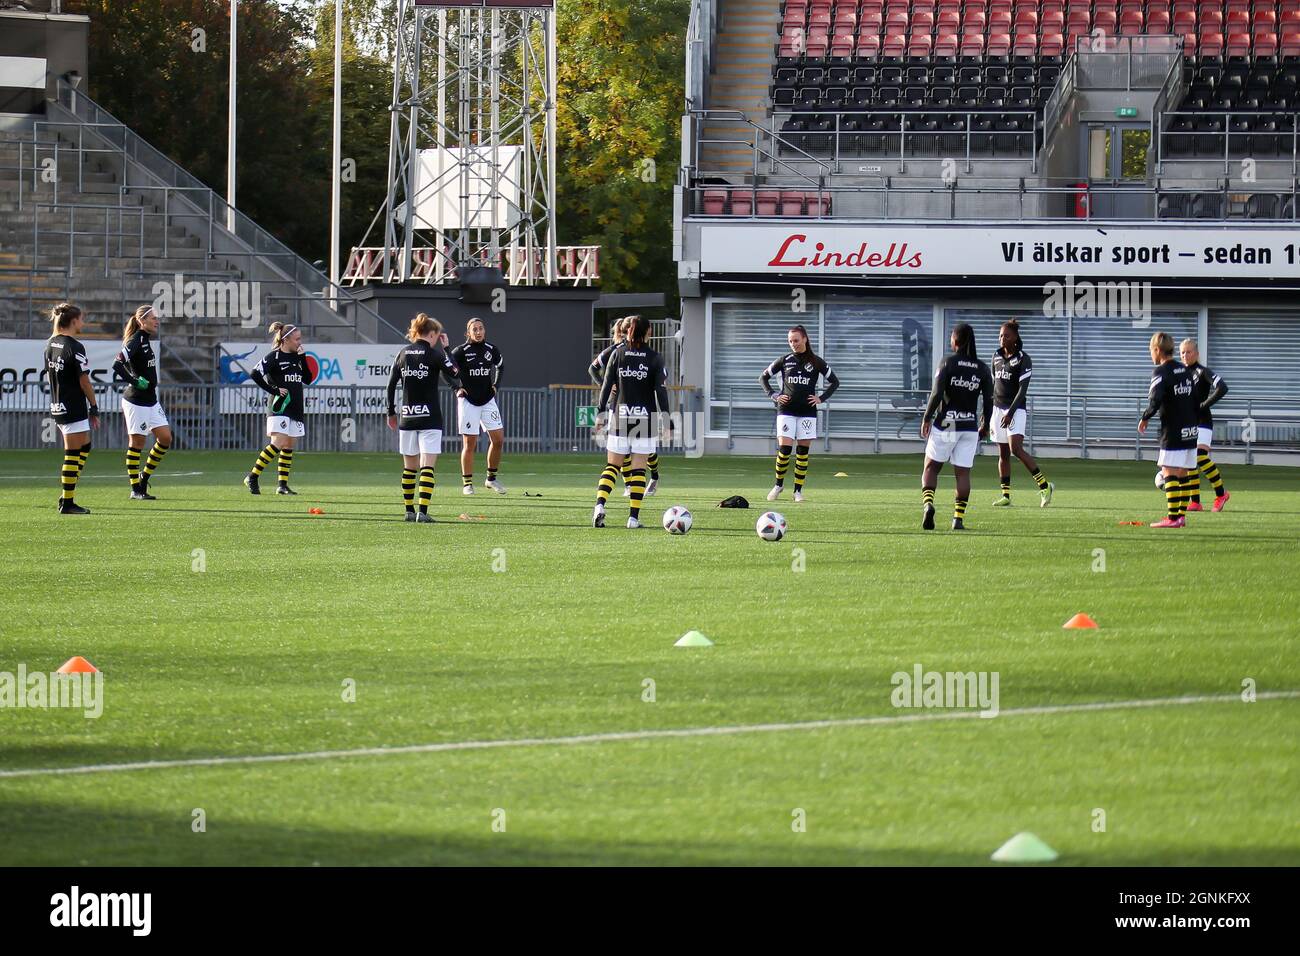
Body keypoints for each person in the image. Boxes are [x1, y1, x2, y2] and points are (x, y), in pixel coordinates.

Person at [592, 315, 671, 529]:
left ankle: (600, 505)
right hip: (645, 418)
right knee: (638, 471)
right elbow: (660, 392)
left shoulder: (618, 353)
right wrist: (667, 420)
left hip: (620, 415)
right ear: (648, 332)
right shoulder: (654, 357)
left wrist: (600, 414)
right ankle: (633, 518)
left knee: (612, 466)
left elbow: (606, 385)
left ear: (629, 332)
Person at [386, 314, 463, 523]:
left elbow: (391, 385)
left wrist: (390, 412)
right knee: (427, 466)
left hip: (408, 417)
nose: (438, 339)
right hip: (430, 418)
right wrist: (447, 349)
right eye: (437, 336)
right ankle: (423, 512)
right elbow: (455, 372)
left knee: (409, 467)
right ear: (431, 334)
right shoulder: (435, 355)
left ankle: (409, 510)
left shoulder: (402, 354)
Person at [920, 323, 993, 531]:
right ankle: (957, 519)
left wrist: (926, 417)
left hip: (948, 422)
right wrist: (985, 425)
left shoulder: (947, 362)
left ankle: (928, 505)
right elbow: (989, 401)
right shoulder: (982, 368)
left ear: (956, 341)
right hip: (969, 425)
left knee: (931, 466)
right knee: (962, 474)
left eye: (952, 337)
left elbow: (936, 393)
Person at [760, 324, 839, 503]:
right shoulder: (784, 360)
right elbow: (763, 377)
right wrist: (773, 395)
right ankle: (778, 485)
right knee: (785, 449)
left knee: (802, 452)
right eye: (790, 341)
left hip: (807, 412)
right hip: (786, 410)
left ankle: (797, 491)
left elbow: (835, 382)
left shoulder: (817, 362)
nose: (793, 344)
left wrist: (821, 398)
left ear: (804, 339)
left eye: (796, 340)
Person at [989, 319, 1053, 508]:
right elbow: (994, 387)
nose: (1002, 339)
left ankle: (1045, 486)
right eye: (1000, 335)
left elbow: (1022, 390)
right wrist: (988, 413)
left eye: (1006, 335)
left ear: (1015, 337)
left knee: (1015, 449)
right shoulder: (996, 357)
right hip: (997, 410)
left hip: (1015, 411)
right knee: (1003, 454)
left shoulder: (1023, 359)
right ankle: (1006, 495)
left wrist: (1010, 412)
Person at [1139, 331, 1199, 528]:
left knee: (1168, 471)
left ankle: (1173, 518)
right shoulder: (1186, 371)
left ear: (1157, 350)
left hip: (1173, 429)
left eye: (1151, 351)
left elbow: (1155, 399)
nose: (1151, 355)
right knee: (1183, 473)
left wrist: (1145, 417)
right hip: (1190, 428)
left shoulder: (1160, 372)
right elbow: (1195, 400)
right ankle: (1180, 517)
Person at [43, 303, 98, 515]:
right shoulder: (75, 346)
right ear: (73, 321)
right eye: (81, 319)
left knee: (85, 446)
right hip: (72, 404)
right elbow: (85, 382)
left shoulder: (50, 344)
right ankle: (67, 502)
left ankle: (67, 493)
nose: (83, 323)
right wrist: (94, 406)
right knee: (72, 454)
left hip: (59, 402)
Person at [112, 305, 171, 500]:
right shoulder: (136, 340)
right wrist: (135, 380)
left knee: (165, 438)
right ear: (141, 321)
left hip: (151, 400)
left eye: (157, 318)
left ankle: (143, 478)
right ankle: (135, 489)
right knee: (137, 443)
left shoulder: (146, 340)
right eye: (153, 318)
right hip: (136, 401)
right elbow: (117, 364)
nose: (157, 321)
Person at [244, 322, 309, 495]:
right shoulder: (275, 357)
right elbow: (254, 373)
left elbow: (308, 379)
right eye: (297, 339)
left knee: (289, 445)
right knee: (278, 443)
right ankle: (253, 476)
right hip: (279, 406)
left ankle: (282, 485)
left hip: (295, 407)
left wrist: (303, 358)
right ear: (286, 340)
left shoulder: (298, 357)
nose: (300, 342)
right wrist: (273, 390)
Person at [450, 318, 507, 495]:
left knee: (498, 440)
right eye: (474, 329)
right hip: (469, 401)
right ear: (468, 333)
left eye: (481, 328)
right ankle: (467, 483)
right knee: (470, 443)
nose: (478, 332)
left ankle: (491, 479)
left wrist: (496, 386)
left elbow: (501, 366)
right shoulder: (461, 351)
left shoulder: (491, 349)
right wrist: (456, 388)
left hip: (488, 400)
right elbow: (444, 370)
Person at [1179, 338, 1230, 512]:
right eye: (1182, 352)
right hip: (1187, 422)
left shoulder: (1203, 371)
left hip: (1203, 421)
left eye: (1189, 351)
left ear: (1197, 353)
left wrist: (1203, 405)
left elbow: (1222, 387)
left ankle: (1221, 494)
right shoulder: (1179, 373)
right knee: (1190, 461)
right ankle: (1196, 502)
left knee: (1200, 457)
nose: (1185, 355)